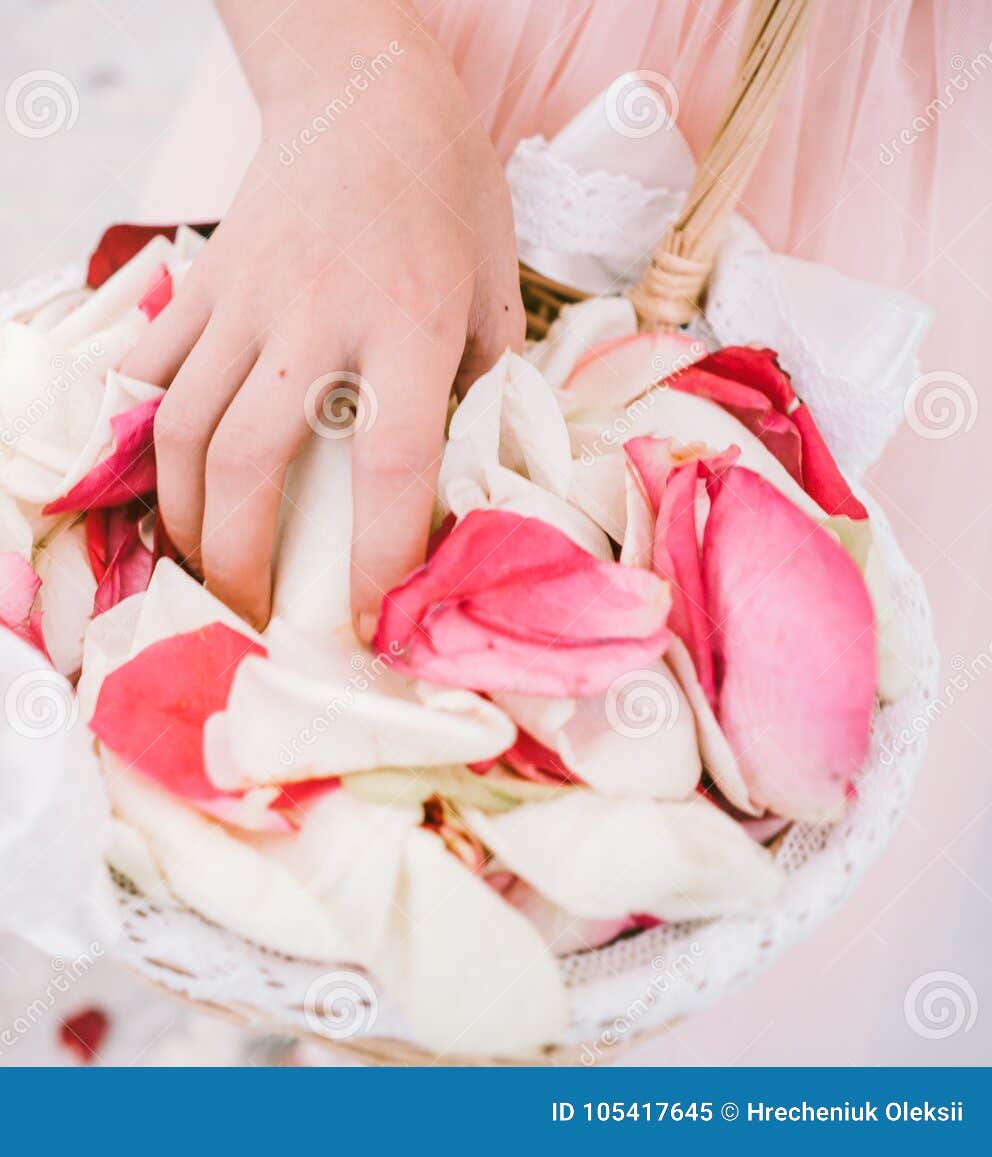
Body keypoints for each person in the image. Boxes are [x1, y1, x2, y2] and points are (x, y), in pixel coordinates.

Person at [132, 0, 992, 1064]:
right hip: (407, 65)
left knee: (700, 960)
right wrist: (339, 76)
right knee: (253, 568)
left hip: (903, 150)